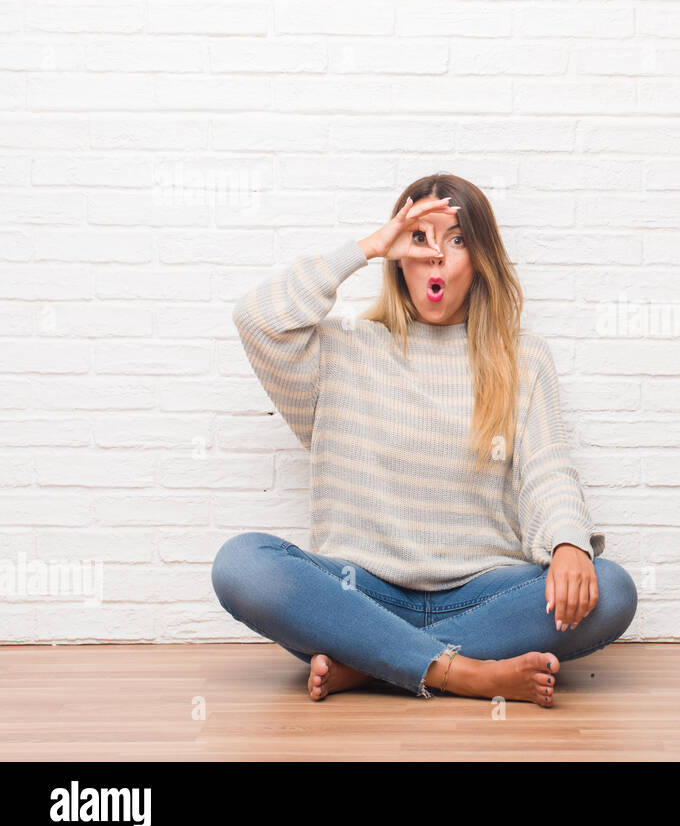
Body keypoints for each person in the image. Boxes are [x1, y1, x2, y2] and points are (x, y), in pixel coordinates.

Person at [211, 174, 637, 706]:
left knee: (613, 589)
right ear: (398, 256)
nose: (437, 257)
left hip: (483, 594)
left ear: (480, 260)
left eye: (457, 240)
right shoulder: (342, 352)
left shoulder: (523, 359)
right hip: (358, 596)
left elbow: (547, 469)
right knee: (241, 563)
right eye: (420, 238)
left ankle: (375, 664)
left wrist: (569, 543)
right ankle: (464, 674)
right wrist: (364, 249)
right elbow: (256, 319)